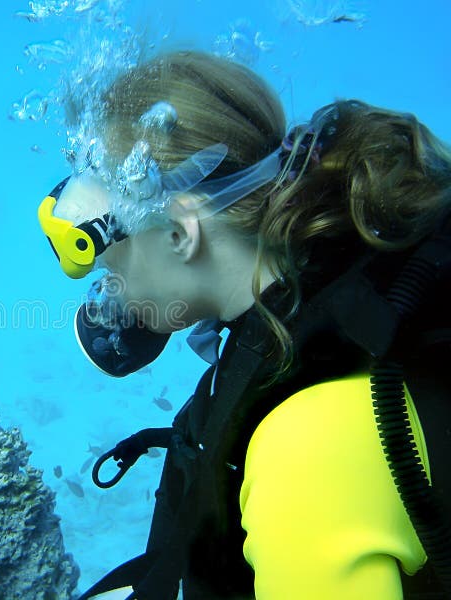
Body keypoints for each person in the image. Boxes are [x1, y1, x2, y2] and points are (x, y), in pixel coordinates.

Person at [37, 51, 451, 599]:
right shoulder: (309, 307)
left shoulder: (306, 451)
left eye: (108, 265)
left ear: (182, 234)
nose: (107, 292)